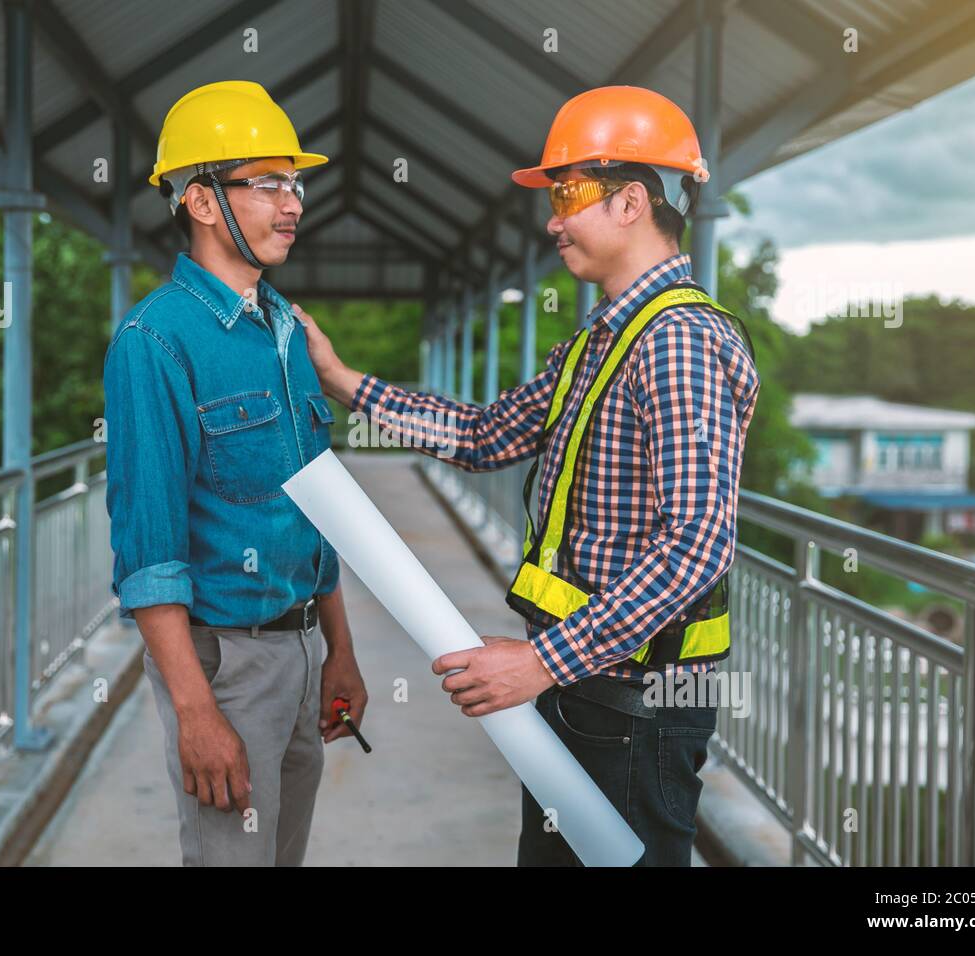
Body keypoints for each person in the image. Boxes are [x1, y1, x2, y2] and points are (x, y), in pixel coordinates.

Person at [298, 86, 759, 866]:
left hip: (634, 705)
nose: (552, 218)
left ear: (632, 201)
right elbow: (482, 435)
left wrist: (540, 662)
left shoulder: (676, 342)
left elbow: (697, 547)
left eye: (568, 192)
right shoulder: (601, 341)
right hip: (586, 690)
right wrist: (342, 379)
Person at [103, 80, 367, 866]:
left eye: (297, 183)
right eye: (268, 183)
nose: (293, 204)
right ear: (203, 201)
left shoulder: (285, 328)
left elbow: (313, 507)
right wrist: (196, 710)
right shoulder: (155, 342)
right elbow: (148, 553)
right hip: (224, 663)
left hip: (301, 647)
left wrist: (339, 652)